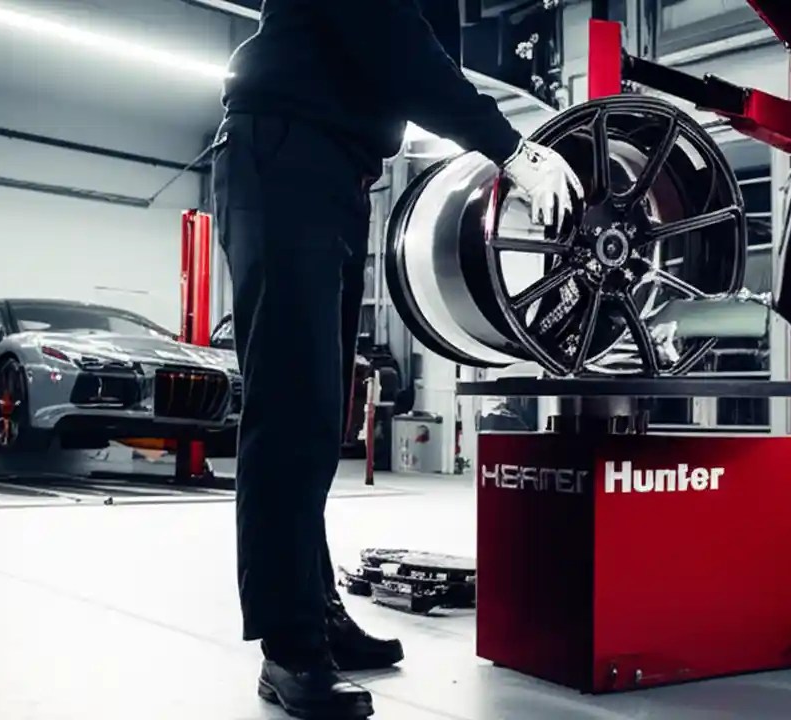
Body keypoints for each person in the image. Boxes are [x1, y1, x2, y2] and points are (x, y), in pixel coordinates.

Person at [210, 1, 580, 718]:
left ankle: (315, 612)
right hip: (283, 154)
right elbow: (394, 44)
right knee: (291, 411)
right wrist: (513, 149)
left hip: (332, 168)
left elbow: (417, 59)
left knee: (318, 410)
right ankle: (289, 650)